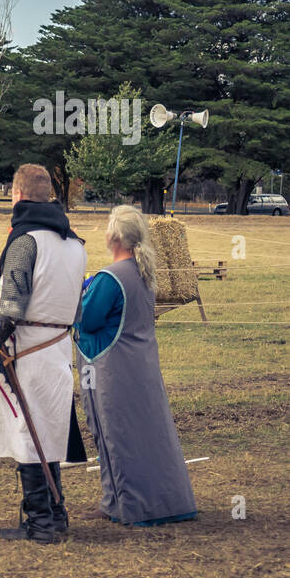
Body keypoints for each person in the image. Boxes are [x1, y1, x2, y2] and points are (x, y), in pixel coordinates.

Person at [0, 164, 86, 543]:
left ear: (17, 197)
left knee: (29, 432)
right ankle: (55, 513)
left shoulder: (25, 242)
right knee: (47, 431)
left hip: (29, 352)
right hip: (58, 350)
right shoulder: (76, 245)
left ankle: (41, 523)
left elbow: (11, 309)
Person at [78, 206, 197, 526]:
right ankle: (146, 501)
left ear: (114, 237)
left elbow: (87, 320)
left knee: (116, 437)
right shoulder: (145, 274)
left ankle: (128, 505)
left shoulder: (110, 278)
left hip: (112, 371)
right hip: (141, 367)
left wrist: (81, 292)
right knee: (148, 436)